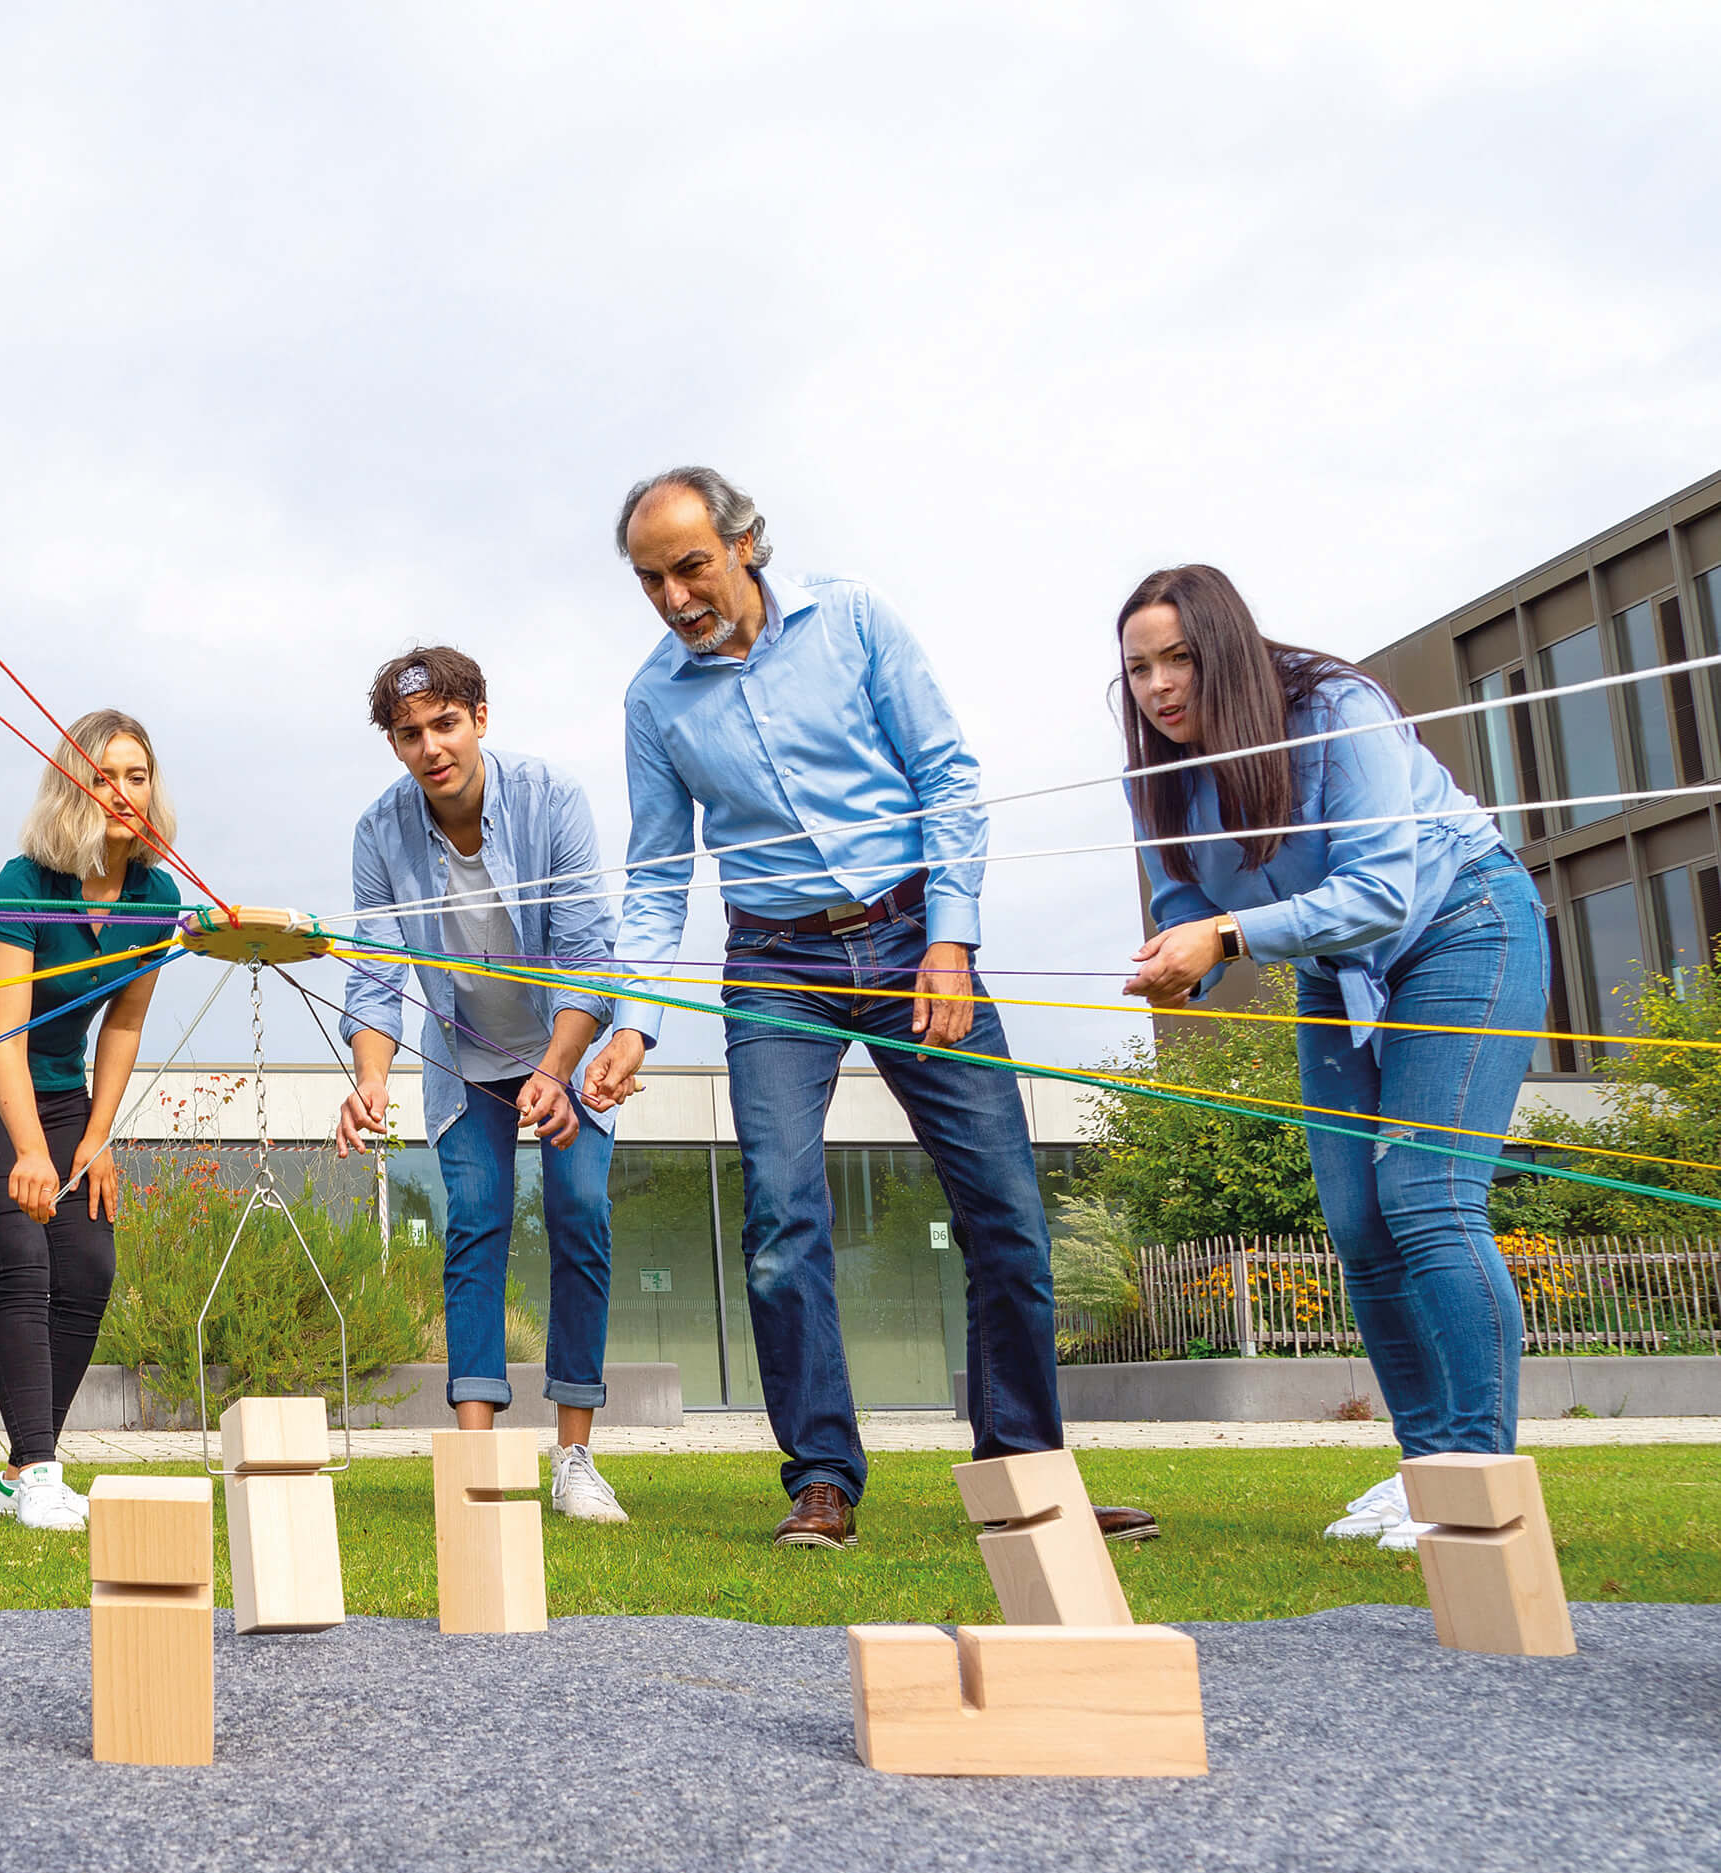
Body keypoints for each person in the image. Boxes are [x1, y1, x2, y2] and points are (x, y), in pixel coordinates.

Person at [581, 468, 1156, 1551]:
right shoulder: (653, 699)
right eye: (650, 579)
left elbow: (944, 774)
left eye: (689, 566)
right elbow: (658, 870)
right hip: (773, 962)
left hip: (910, 938)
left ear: (746, 543)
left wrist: (950, 935)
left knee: (1005, 1214)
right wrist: (632, 1021)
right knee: (780, 1219)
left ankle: (1023, 1475)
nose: (673, 597)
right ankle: (822, 1479)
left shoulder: (854, 619)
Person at [1115, 565, 1548, 1550]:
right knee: (1357, 1219)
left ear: (1224, 651)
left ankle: (1478, 1484)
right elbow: (1183, 897)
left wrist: (1222, 940)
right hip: (1332, 971)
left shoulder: (1335, 709)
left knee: (1427, 1196)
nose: (1158, 686)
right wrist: (1181, 965)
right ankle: (1426, 1469)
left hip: (1460, 923)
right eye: (1138, 668)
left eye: (1178, 658)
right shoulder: (1159, 775)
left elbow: (1382, 891)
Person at [335, 647, 632, 1523]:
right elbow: (374, 971)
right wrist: (370, 1081)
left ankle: (574, 1456)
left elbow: (588, 953)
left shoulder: (551, 799)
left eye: (445, 724)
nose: (430, 747)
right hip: (462, 1062)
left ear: (479, 718)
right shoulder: (378, 831)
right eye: (409, 734)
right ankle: (474, 1462)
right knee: (475, 1227)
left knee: (580, 1214)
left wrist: (554, 1072)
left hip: (564, 1046)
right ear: (394, 744)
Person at [0, 712, 178, 1530]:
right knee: (24, 1259)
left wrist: (95, 1136)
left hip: (65, 1092)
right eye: (104, 776)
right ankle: (39, 1469)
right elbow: (3, 1036)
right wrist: (32, 1151)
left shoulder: (156, 897)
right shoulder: (25, 880)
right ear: (72, 786)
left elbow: (125, 1025)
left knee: (89, 1268)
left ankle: (17, 1468)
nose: (122, 792)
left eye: (136, 776)